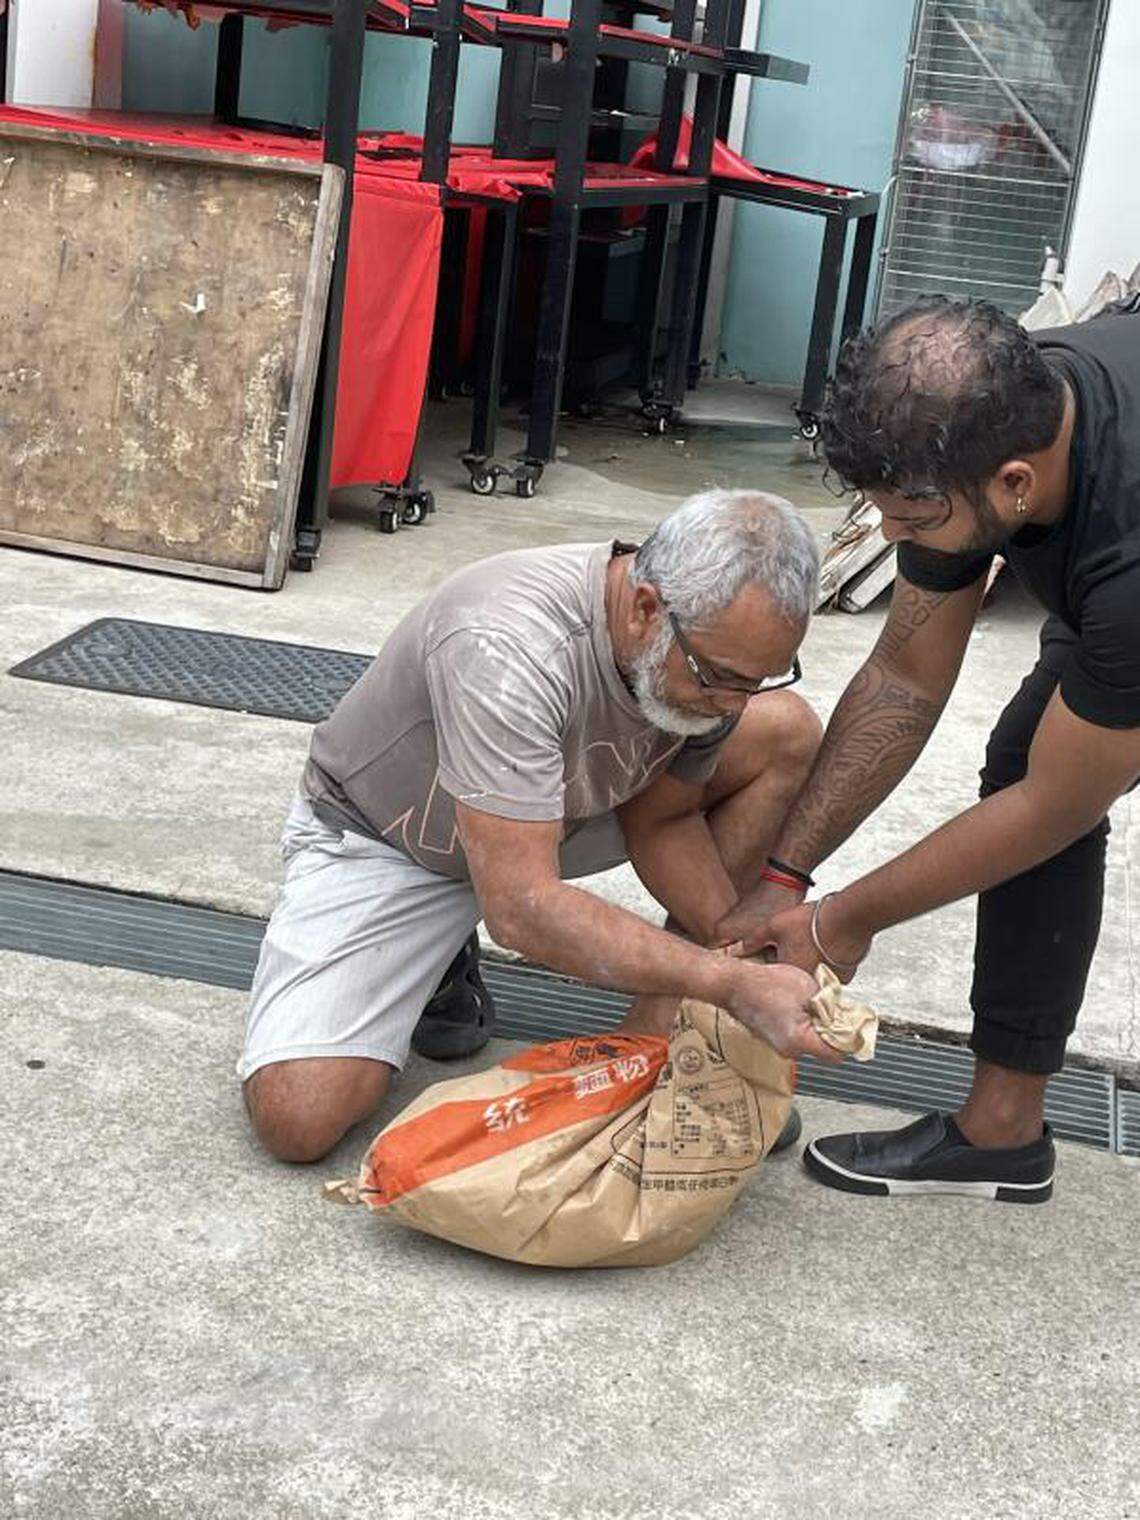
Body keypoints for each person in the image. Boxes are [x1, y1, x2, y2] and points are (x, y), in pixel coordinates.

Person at [239, 488, 834, 1163]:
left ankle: (658, 1038)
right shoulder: (506, 644)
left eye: (755, 679)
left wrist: (743, 952)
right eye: (719, 677)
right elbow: (522, 911)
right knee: (298, 1116)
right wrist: (728, 983)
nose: (732, 702)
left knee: (785, 732)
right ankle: (434, 948)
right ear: (645, 609)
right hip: (395, 839)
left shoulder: (705, 649)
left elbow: (663, 821)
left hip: (557, 812)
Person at [717, 295, 1140, 1204]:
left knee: (1044, 790)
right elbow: (908, 673)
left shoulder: (1128, 562)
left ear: (1017, 485)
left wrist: (844, 922)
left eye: (912, 521)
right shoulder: (991, 411)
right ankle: (1002, 1134)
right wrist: (786, 878)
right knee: (1029, 763)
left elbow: (1051, 811)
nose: (899, 541)